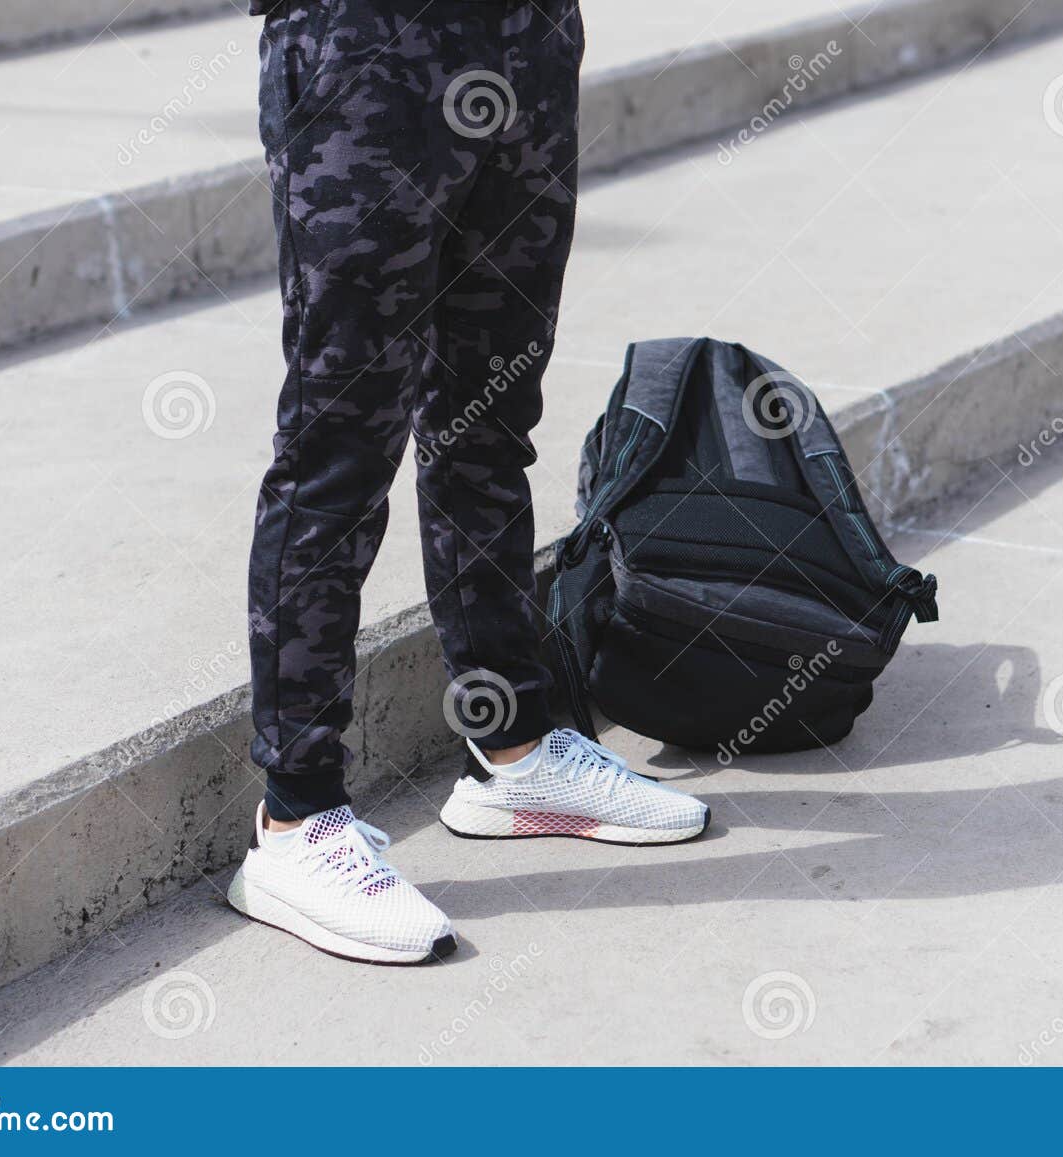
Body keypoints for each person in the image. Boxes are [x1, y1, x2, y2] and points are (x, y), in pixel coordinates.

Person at [227, 0, 709, 963]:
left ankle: (516, 749)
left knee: (488, 421)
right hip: (366, 48)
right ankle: (295, 818)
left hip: (522, 36)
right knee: (339, 448)